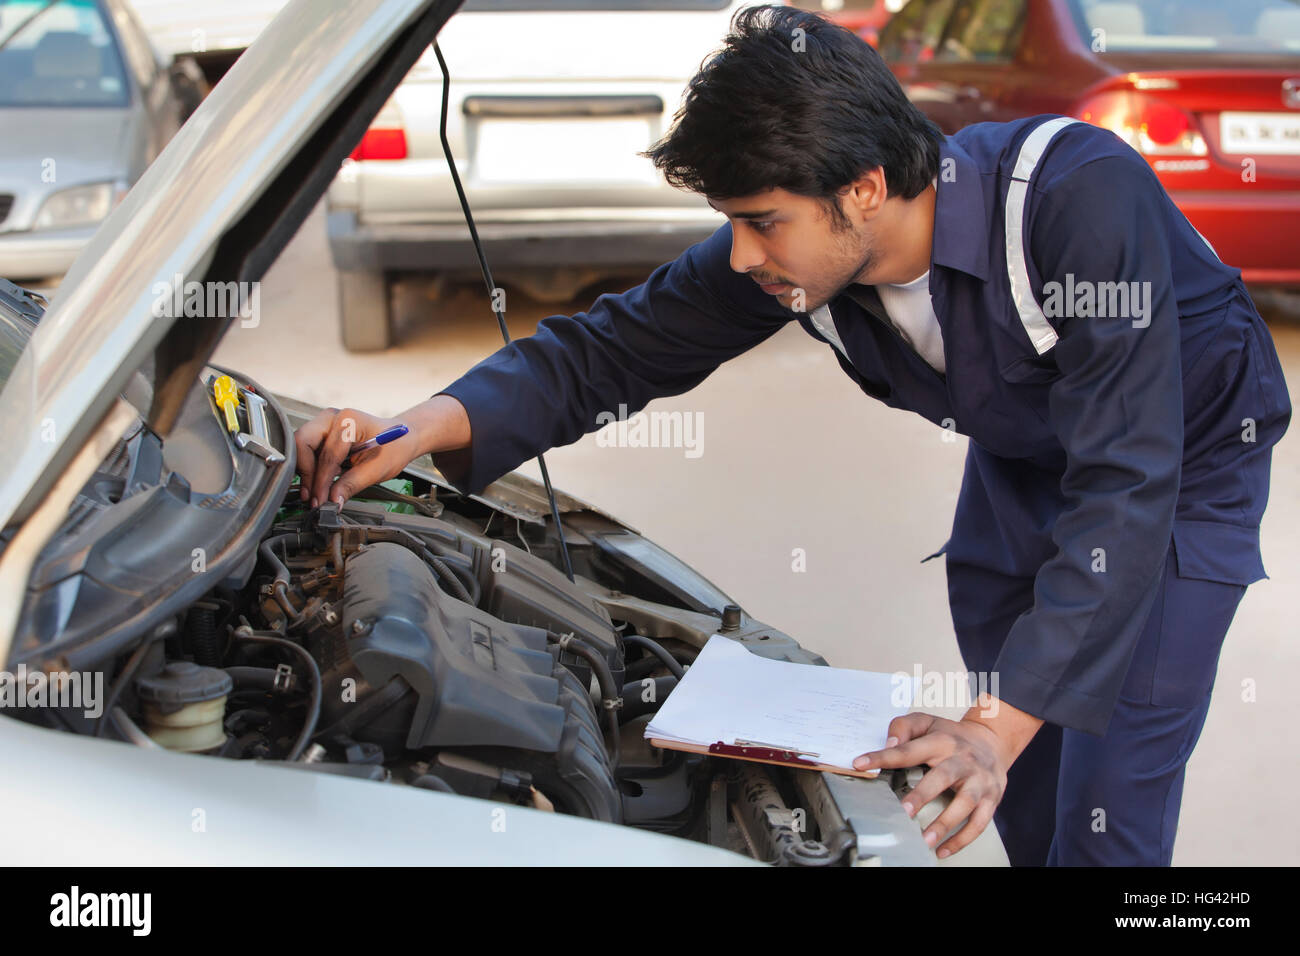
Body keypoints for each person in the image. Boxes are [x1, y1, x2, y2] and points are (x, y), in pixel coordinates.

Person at [293, 5, 1291, 865]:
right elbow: (611, 350)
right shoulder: (798, 252)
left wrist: (993, 726)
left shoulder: (1075, 198)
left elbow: (1124, 483)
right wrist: (418, 426)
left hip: (1178, 463)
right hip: (1028, 452)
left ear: (862, 187)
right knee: (1018, 776)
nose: (740, 251)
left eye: (761, 221)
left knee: (1104, 772)